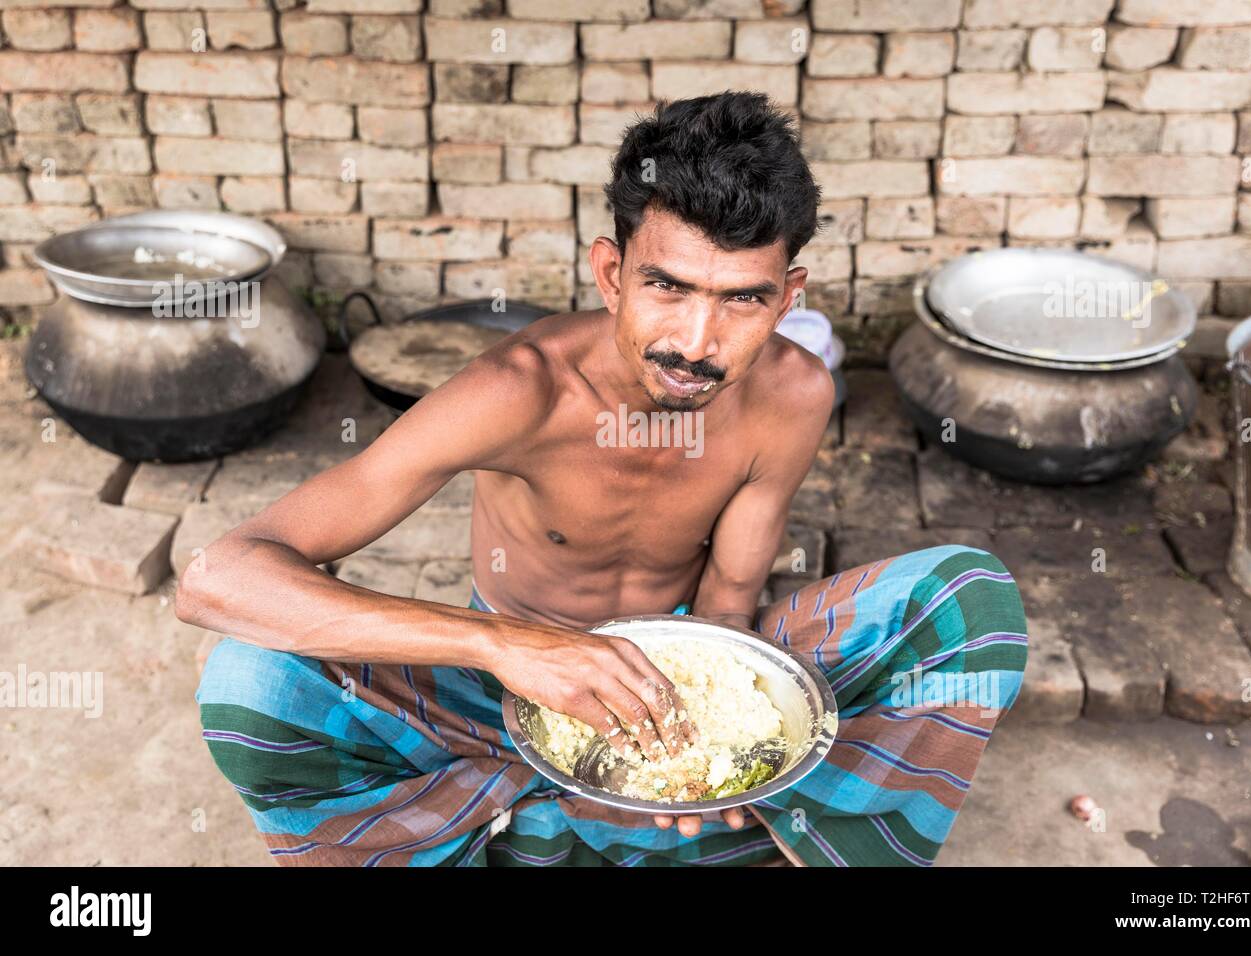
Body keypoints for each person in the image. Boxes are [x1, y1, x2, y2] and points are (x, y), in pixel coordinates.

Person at [179, 91, 1028, 867]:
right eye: (666, 287)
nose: (697, 343)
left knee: (970, 603)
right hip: (500, 692)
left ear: (787, 295)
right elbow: (220, 578)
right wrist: (503, 645)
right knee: (251, 682)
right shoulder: (519, 391)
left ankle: (568, 827)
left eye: (742, 301)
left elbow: (732, 602)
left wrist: (702, 748)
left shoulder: (794, 393)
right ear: (612, 273)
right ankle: (592, 825)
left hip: (686, 667)